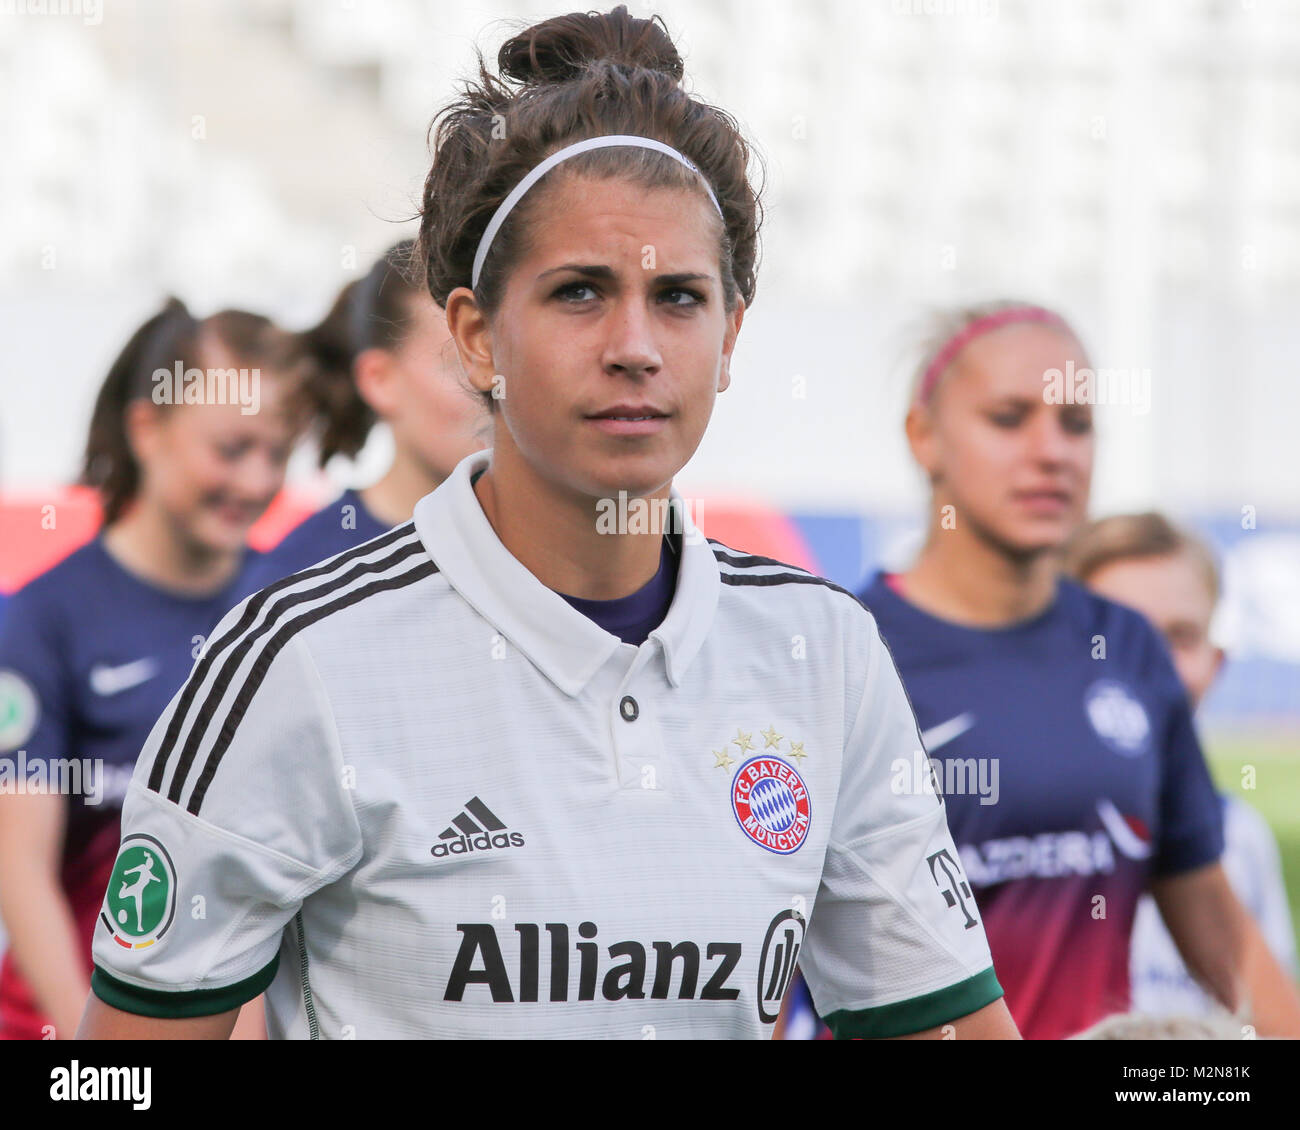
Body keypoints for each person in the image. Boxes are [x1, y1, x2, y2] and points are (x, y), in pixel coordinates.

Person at [78, 6, 1018, 1040]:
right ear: (476, 337)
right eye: (579, 292)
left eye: (677, 297)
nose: (634, 346)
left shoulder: (824, 654)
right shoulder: (299, 659)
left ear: (730, 333)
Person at [841, 300, 1300, 1039]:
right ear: (924, 437)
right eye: (1009, 417)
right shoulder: (847, 652)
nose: (1052, 450)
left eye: (1076, 423)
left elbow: (1216, 922)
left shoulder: (1127, 647)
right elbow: (775, 942)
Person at [0, 298, 309, 1040]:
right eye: (232, 449)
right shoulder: (40, 619)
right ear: (148, 429)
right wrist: (96, 1050)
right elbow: (21, 875)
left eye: (278, 452)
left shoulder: (291, 610)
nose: (257, 480)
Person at [1065, 511, 1298, 1016]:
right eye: (1126, 636)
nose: (1156, 669)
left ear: (1219, 663)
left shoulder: (1242, 839)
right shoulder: (1032, 840)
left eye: (1182, 636)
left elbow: (1266, 1013)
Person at [239, 240, 487, 591]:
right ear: (379, 380)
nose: (492, 384)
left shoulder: (550, 549)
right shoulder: (299, 580)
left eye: (501, 356)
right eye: (460, 364)